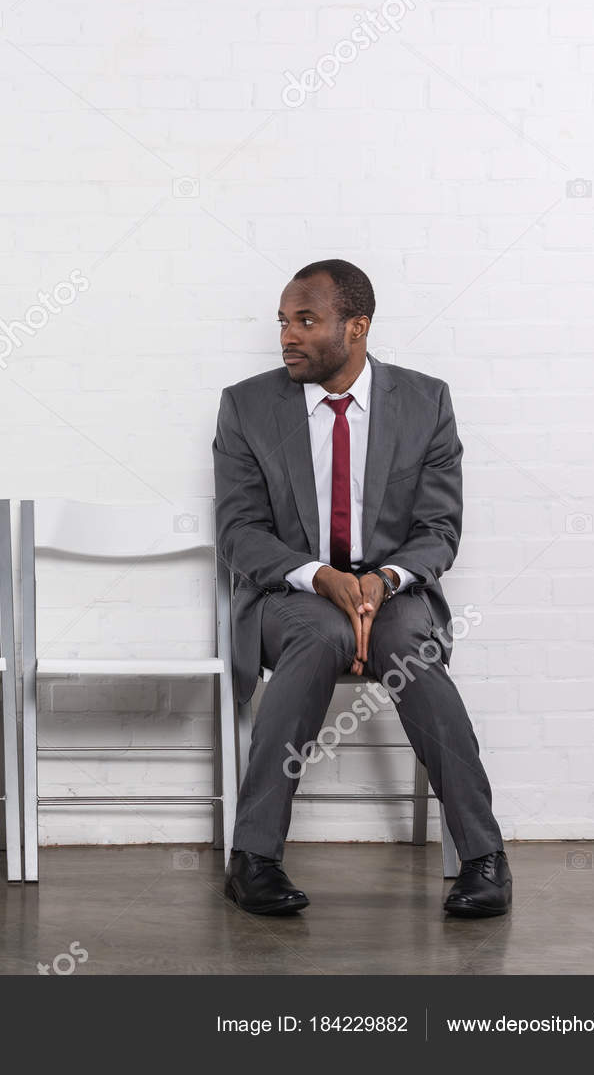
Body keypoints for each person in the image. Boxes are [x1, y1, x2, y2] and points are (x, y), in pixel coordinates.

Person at [212, 259, 509, 917]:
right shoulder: (248, 407)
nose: (288, 335)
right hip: (292, 598)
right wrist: (320, 577)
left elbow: (438, 530)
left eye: (307, 321)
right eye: (283, 321)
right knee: (320, 635)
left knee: (413, 655)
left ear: (358, 327)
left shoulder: (425, 401)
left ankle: (484, 860)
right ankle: (254, 860)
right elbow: (239, 533)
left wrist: (378, 583)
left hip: (394, 595)